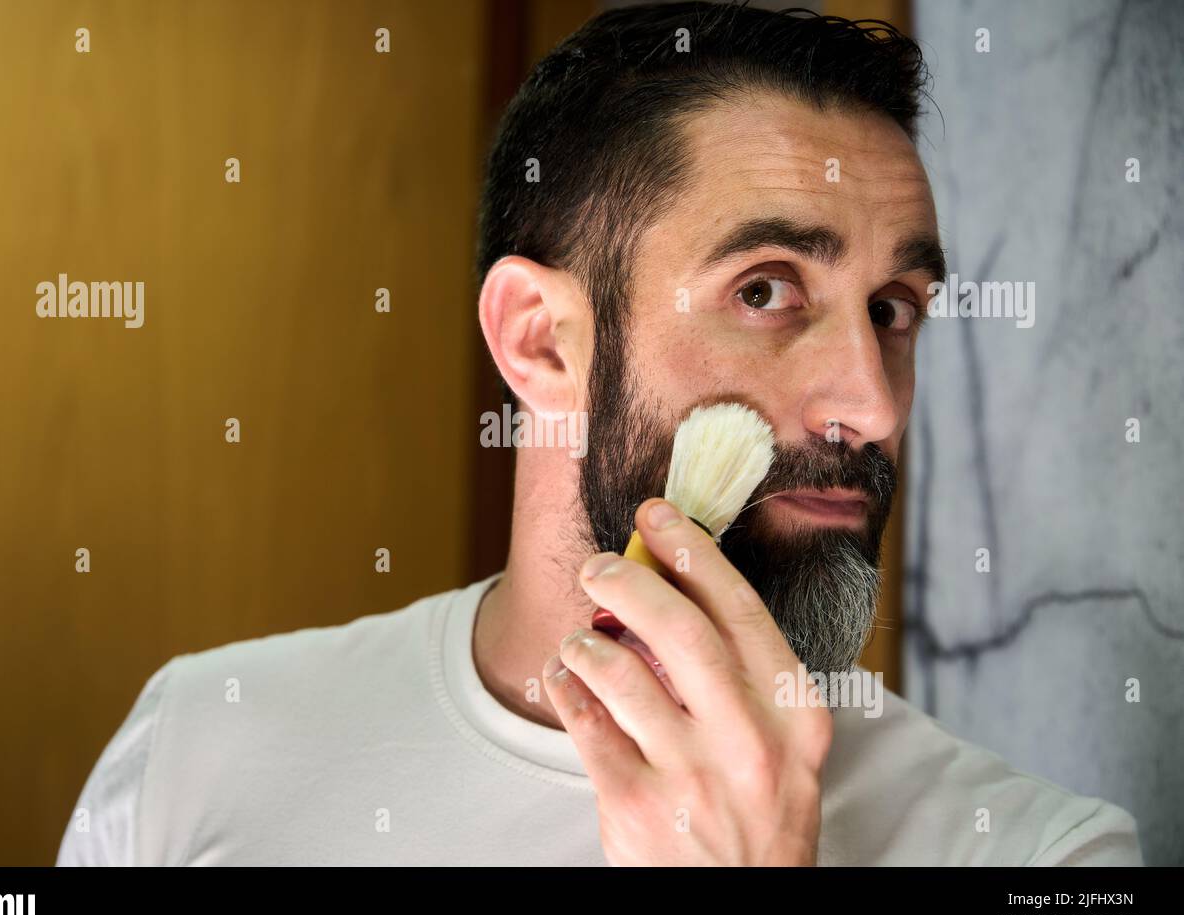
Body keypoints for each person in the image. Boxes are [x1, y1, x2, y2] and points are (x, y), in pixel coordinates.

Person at [57, 3, 1141, 866]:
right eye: (766, 291)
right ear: (540, 343)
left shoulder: (1045, 860)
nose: (872, 403)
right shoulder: (200, 744)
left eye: (892, 307)